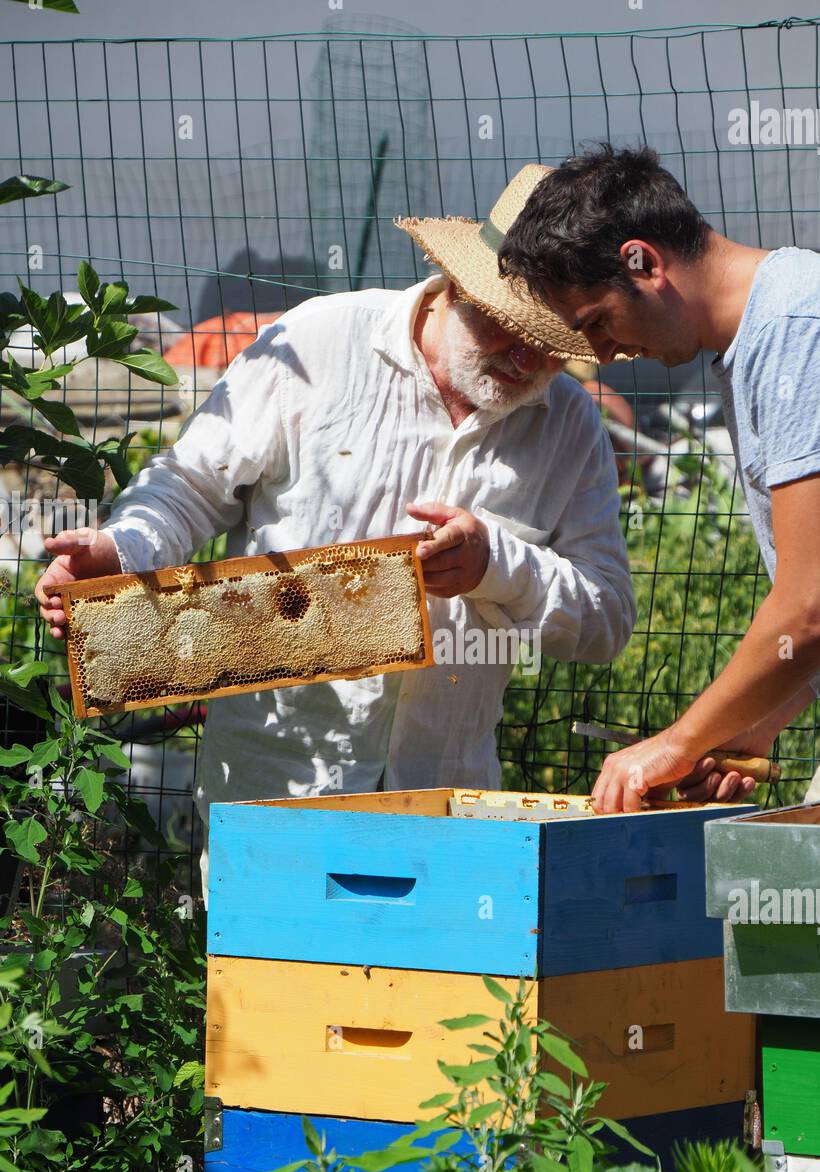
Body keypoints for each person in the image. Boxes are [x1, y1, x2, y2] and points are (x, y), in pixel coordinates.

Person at [36, 165, 635, 882]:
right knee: (267, 989)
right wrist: (120, 547)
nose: (526, 356)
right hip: (275, 792)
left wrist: (499, 568)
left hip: (445, 801)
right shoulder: (319, 343)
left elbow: (607, 620)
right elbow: (192, 485)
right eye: (505, 326)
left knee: (435, 994)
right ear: (455, 284)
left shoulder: (571, 428)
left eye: (550, 339)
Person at [497, 143, 820, 813]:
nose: (602, 352)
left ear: (644, 262)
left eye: (597, 322)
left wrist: (676, 741)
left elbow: (813, 608)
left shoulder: (802, 330)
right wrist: (746, 726)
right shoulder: (764, 335)